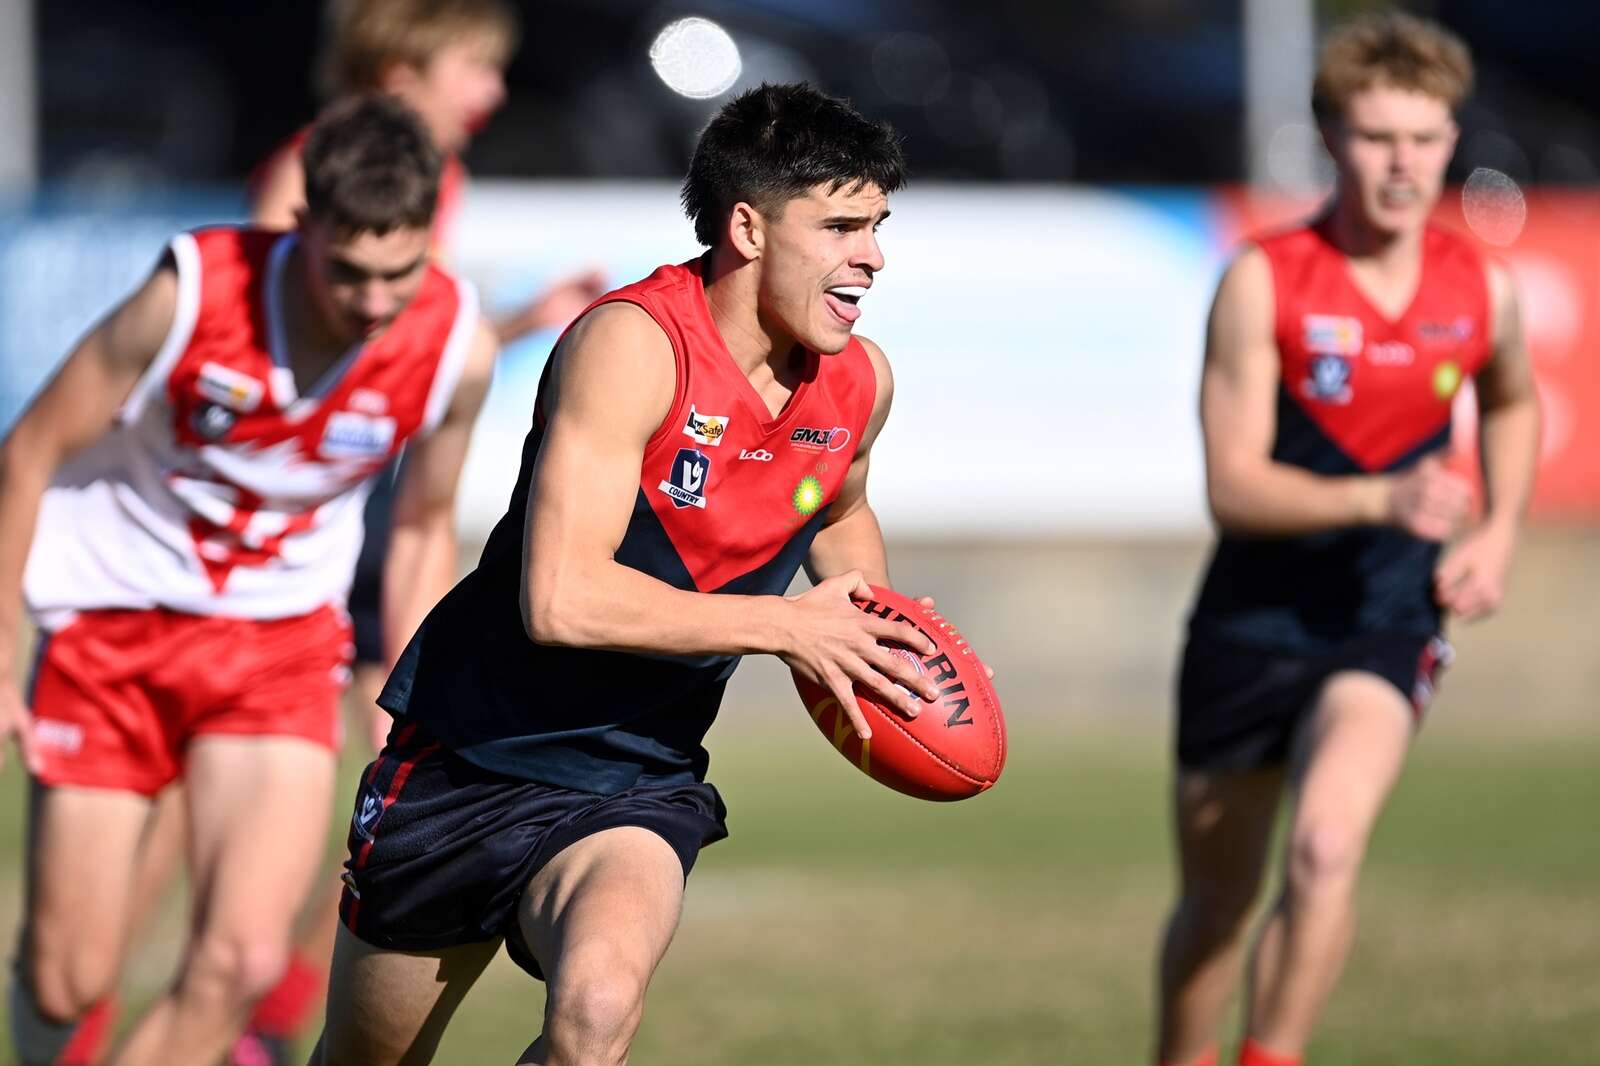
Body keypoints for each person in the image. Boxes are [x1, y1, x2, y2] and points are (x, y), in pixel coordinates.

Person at [310, 82, 938, 1065]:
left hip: (635, 777)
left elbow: (843, 511)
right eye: (843, 226)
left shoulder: (858, 381)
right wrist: (786, 627)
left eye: (878, 226)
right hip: (469, 760)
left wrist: (868, 623)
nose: (873, 256)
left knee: (596, 1011)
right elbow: (562, 598)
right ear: (748, 226)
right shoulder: (633, 345)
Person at [0, 94, 496, 1066]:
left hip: (279, 647)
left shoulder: (454, 347)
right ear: (300, 226)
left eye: (398, 273)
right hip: (113, 631)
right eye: (347, 271)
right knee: (66, 976)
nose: (371, 302)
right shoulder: (190, 291)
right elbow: (27, 454)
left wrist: (410, 680)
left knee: (242, 959)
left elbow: (424, 524)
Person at [1155, 14, 1541, 1066]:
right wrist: (1382, 499)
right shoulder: (1264, 281)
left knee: (1325, 847)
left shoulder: (1480, 288)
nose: (1401, 163)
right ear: (1329, 137)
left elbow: (1511, 402)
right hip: (1249, 619)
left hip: (1383, 616)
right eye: (1376, 137)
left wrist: (1499, 529)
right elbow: (1231, 487)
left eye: (1422, 138)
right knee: (1217, 909)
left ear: (1452, 139)